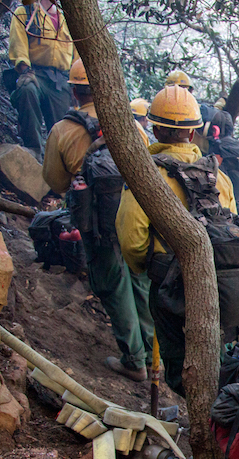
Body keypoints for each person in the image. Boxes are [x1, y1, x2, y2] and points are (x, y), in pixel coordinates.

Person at [116, 85, 239, 395]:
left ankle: (198, 418)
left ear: (155, 128)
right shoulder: (219, 177)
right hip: (217, 283)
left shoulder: (146, 174)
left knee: (177, 367)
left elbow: (132, 238)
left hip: (168, 283)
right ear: (195, 129)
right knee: (213, 358)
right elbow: (232, 227)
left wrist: (147, 268)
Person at [42, 59, 154, 382]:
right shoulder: (131, 126)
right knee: (140, 280)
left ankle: (134, 360)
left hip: (95, 220)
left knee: (110, 281)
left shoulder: (62, 131)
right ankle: (150, 351)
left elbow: (57, 182)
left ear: (74, 93)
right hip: (134, 215)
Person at [7, 0, 76, 154]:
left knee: (64, 126)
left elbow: (77, 54)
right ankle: (34, 150)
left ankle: (59, 163)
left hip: (61, 79)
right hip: (35, 73)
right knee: (27, 90)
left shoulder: (68, 18)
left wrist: (76, 82)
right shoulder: (26, 12)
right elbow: (18, 45)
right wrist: (25, 70)